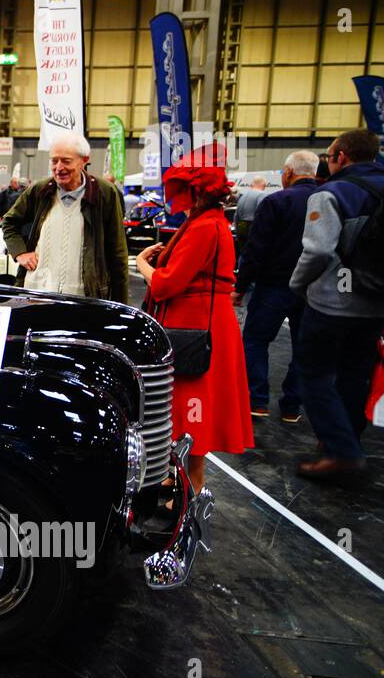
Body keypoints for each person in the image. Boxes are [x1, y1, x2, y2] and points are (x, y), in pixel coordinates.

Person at [136, 144, 254, 493]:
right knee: (193, 408)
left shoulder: (204, 227)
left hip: (195, 324)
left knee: (191, 407)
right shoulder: (209, 223)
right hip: (205, 321)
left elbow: (166, 283)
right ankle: (184, 483)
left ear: (198, 191)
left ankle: (186, 488)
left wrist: (143, 263)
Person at [289, 129, 384, 480]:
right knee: (356, 374)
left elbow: (318, 250)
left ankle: (341, 451)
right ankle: (345, 441)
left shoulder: (331, 193)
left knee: (314, 373)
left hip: (333, 302)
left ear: (341, 157)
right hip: (378, 304)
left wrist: (298, 284)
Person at [233, 151, 320, 424]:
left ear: (289, 172)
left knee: (256, 341)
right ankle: (292, 406)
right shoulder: (328, 198)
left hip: (274, 284)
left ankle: (257, 401)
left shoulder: (277, 201)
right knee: (304, 347)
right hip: (313, 288)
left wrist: (240, 285)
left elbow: (257, 249)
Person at [1, 132, 129, 301]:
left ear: (84, 161)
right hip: (36, 294)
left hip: (83, 300)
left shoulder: (104, 193)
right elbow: (10, 222)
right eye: (54, 160)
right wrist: (20, 253)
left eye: (66, 161)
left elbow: (117, 252)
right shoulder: (40, 190)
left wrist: (120, 307)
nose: (58, 167)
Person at [233, 177, 269, 260]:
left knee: (243, 254)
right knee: (255, 256)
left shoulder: (243, 196)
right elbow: (261, 213)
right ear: (264, 185)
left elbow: (236, 216)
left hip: (241, 226)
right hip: (253, 226)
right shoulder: (262, 194)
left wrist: (238, 232)